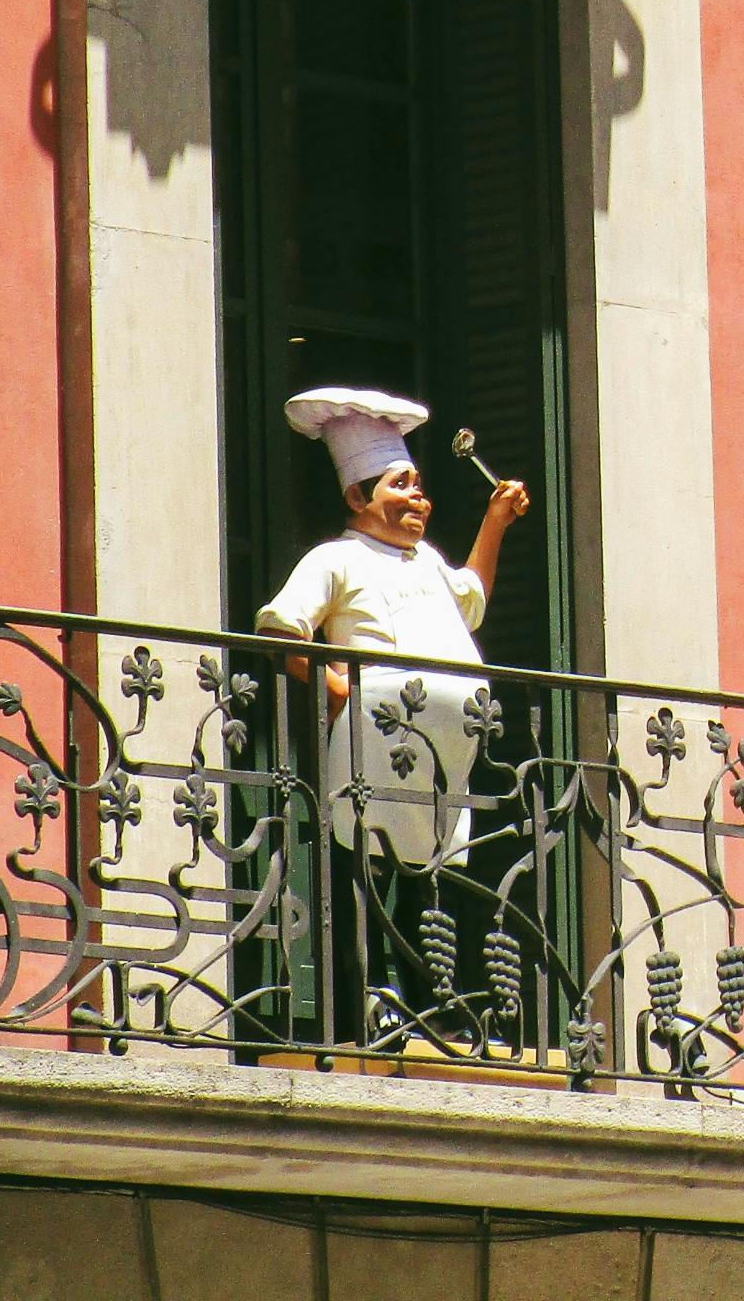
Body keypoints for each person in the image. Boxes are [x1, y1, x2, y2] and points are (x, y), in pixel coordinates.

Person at [255, 386, 531, 1047]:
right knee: (372, 868)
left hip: (447, 743)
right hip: (379, 736)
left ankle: (434, 998)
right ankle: (380, 998)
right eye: (402, 485)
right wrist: (339, 688)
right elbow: (279, 629)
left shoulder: (429, 562)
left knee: (430, 875)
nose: (419, 498)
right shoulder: (337, 559)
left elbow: (472, 602)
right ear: (358, 497)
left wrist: (494, 522)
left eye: (420, 486)